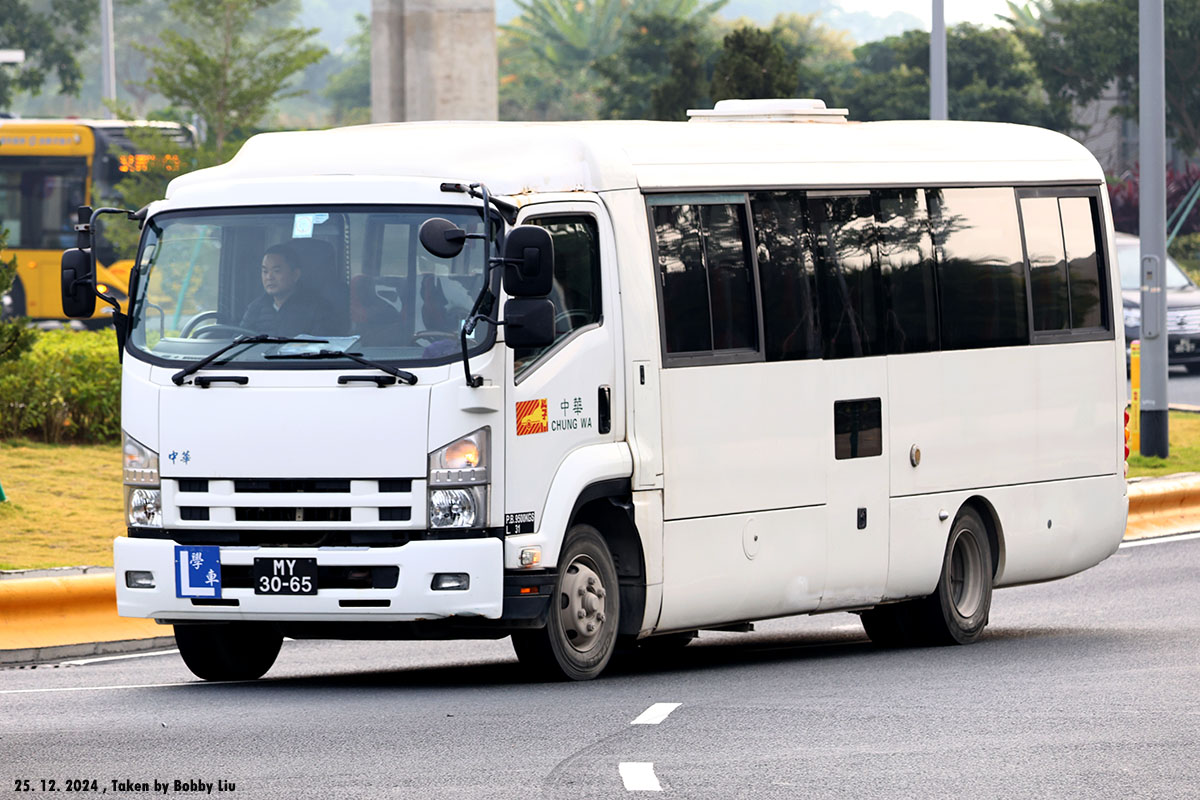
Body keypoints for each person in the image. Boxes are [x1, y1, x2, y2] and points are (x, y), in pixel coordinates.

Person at [239, 243, 332, 335]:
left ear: (295, 275)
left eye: (276, 271)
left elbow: (323, 343)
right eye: (265, 271)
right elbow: (238, 339)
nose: (269, 277)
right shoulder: (256, 308)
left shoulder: (317, 309)